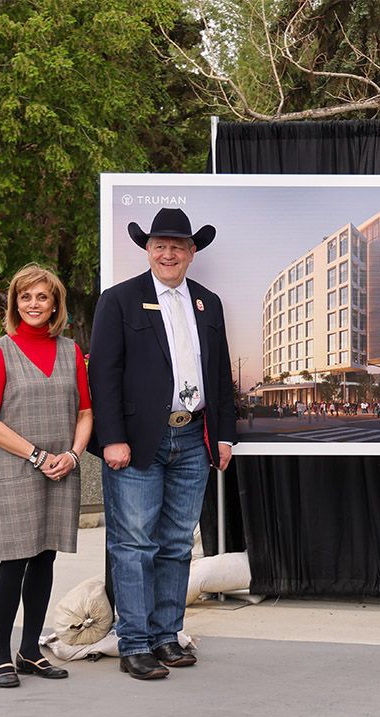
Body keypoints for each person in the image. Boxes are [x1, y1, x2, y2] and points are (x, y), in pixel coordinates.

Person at [88, 208, 236, 680]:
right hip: (136, 442)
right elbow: (103, 376)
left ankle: (166, 637)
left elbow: (220, 376)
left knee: (175, 543)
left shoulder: (208, 304)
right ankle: (134, 643)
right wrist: (111, 438)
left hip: (194, 437)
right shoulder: (119, 300)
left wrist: (225, 435)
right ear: (147, 250)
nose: (168, 253)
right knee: (133, 544)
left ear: (192, 253)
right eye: (159, 245)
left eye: (178, 245)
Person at [0, 264, 92, 688]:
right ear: (15, 303)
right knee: (15, 561)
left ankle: (29, 652)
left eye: (42, 296)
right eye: (25, 297)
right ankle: (0, 656)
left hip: (61, 469)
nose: (33, 304)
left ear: (55, 303)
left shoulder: (70, 351)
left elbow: (85, 412)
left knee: (46, 557)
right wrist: (37, 455)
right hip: (16, 468)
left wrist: (73, 456)